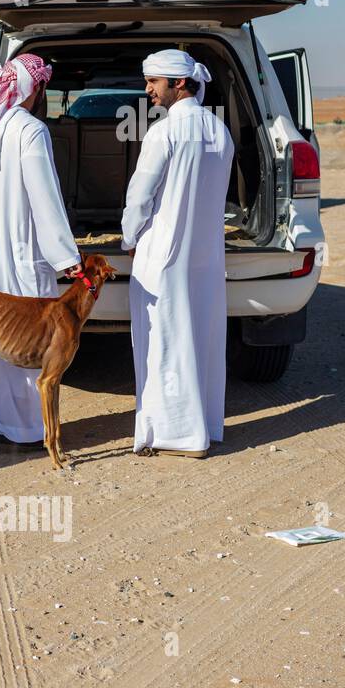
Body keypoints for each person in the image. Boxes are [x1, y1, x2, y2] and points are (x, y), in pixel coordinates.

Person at [0, 52, 82, 447]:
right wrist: (68, 259)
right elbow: (45, 199)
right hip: (19, 250)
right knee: (30, 340)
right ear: (38, 88)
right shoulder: (31, 130)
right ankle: (27, 428)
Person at [122, 49, 233, 459]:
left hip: (162, 256)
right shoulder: (220, 132)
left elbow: (140, 197)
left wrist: (128, 239)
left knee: (163, 341)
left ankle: (174, 435)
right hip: (205, 255)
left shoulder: (163, 132)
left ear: (179, 84)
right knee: (200, 337)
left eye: (154, 82)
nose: (148, 89)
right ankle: (201, 427)